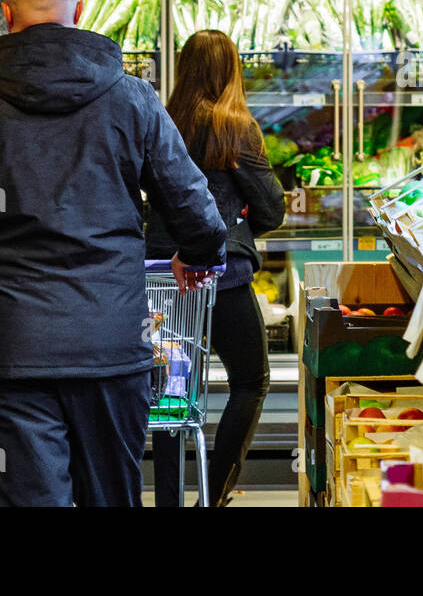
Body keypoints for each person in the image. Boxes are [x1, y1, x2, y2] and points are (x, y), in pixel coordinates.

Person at [0, 0, 228, 507]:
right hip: (108, 345)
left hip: (6, 348)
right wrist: (196, 255)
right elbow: (195, 208)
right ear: (79, 10)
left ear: (6, 14)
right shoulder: (134, 100)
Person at [146, 30, 286, 507]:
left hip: (162, 275)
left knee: (170, 391)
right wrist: (242, 210)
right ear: (231, 71)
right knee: (250, 380)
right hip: (219, 277)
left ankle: (168, 499)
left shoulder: (158, 122)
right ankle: (212, 495)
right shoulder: (234, 126)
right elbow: (271, 209)